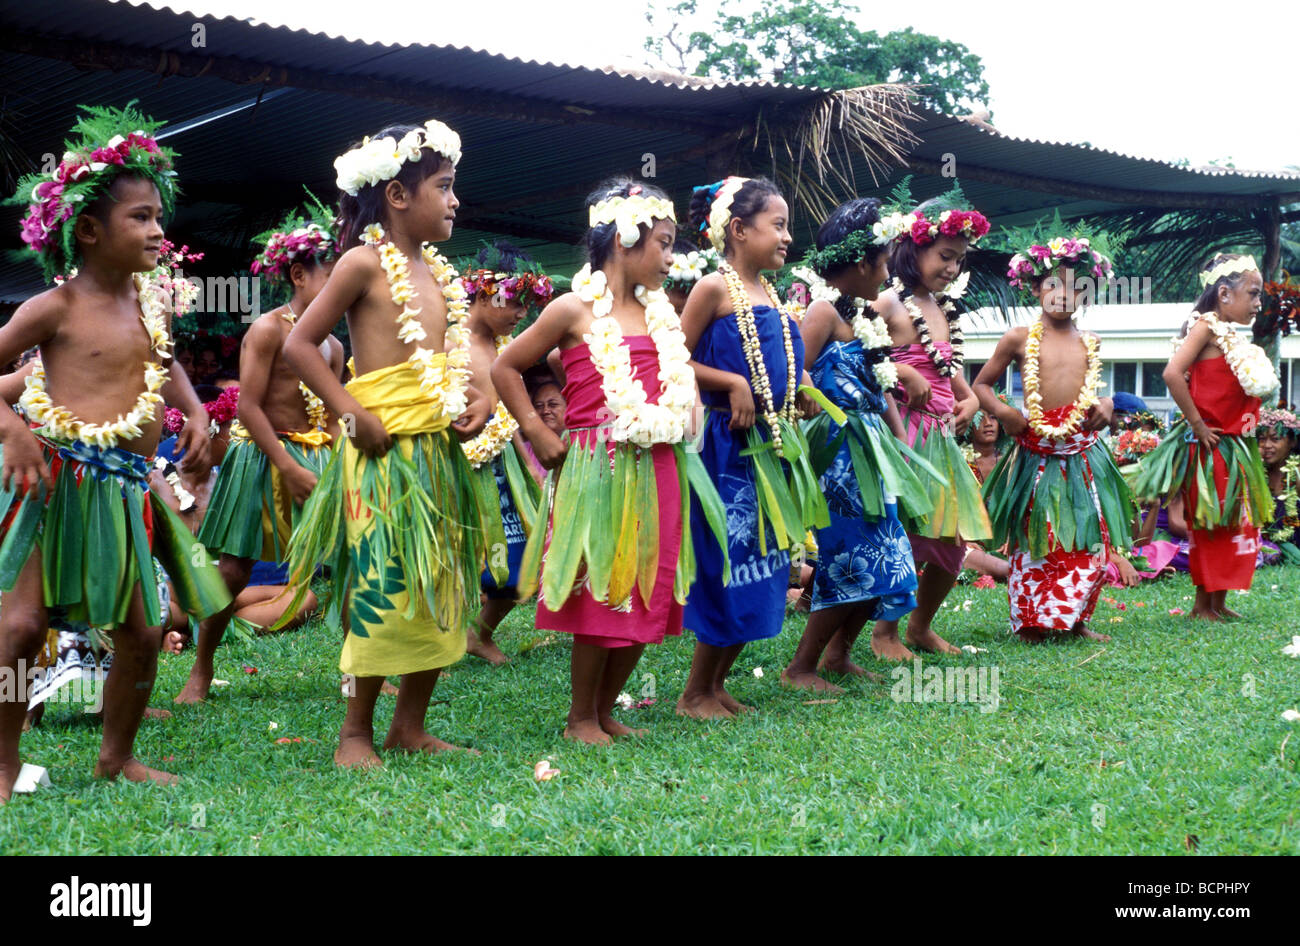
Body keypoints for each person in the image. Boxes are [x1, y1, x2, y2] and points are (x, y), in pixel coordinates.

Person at [0, 105, 231, 800]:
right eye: (141, 217)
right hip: (52, 480)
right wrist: (11, 428)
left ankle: (116, 755)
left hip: (127, 487)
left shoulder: (152, 303)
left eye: (159, 215)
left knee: (144, 626)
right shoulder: (54, 308)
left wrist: (191, 409)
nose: (159, 229)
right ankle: (3, 763)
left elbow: (165, 363)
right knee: (19, 626)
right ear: (91, 231)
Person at [281, 119, 492, 766]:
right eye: (445, 187)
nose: (456, 200)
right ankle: (354, 733)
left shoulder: (439, 272)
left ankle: (411, 724)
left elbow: (457, 360)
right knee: (381, 583)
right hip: (380, 452)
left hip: (437, 451)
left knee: (439, 577)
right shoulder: (363, 264)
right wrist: (348, 412)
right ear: (398, 196)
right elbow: (299, 347)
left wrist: (477, 402)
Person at [492, 178, 726, 743]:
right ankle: (579, 719)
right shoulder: (571, 309)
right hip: (598, 468)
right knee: (600, 586)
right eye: (665, 244)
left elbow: (677, 379)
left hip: (662, 463)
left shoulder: (662, 317)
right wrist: (535, 429)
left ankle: (606, 709)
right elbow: (507, 367)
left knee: (651, 585)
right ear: (625, 239)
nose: (673, 258)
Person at [174, 200, 345, 702]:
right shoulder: (268, 328)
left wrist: (344, 463)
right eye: (332, 277)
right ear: (298, 273)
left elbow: (333, 417)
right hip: (261, 456)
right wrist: (286, 465)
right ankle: (201, 671)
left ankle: (363, 670)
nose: (341, 290)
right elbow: (248, 408)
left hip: (315, 455)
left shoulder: (332, 344)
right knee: (233, 569)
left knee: (355, 556)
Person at [677, 176, 827, 717]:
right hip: (726, 450)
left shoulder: (776, 296)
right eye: (778, 225)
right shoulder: (713, 288)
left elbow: (784, 363)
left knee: (762, 567)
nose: (788, 237)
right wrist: (731, 383)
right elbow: (672, 358)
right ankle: (694, 692)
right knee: (729, 563)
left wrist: (802, 389)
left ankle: (717, 684)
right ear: (739, 230)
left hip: (772, 448)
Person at [778, 198, 933, 691]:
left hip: (873, 449)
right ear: (863, 262)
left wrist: (899, 442)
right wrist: (812, 400)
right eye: (884, 263)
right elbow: (791, 368)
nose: (888, 272)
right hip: (838, 452)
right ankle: (800, 667)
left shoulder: (867, 317)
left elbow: (880, 383)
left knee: (888, 554)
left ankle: (838, 656)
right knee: (852, 554)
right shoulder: (823, 312)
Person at [977, 229, 1130, 642]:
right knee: (1037, 533)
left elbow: (1093, 395)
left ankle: (1076, 618)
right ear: (1033, 287)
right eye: (1052, 285)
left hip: (1082, 456)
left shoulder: (1091, 342)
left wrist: (1108, 405)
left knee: (1087, 536)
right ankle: (1031, 622)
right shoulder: (1018, 338)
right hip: (1035, 454)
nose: (1063, 294)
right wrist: (1006, 413)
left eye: (1075, 287)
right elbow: (981, 386)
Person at [872, 180, 993, 658]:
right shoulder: (889, 302)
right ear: (913, 247)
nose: (952, 267)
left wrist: (971, 400)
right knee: (903, 534)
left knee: (953, 539)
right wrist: (900, 367)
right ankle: (884, 634)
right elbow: (858, 355)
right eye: (944, 255)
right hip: (903, 433)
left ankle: (921, 625)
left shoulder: (942, 308)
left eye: (959, 259)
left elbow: (950, 370)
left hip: (941, 437)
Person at [1135, 254, 1276, 619]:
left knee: (1233, 523)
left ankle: (1219, 602)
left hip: (1235, 446)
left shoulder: (1230, 335)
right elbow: (1171, 373)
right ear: (1224, 293)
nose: (1258, 302)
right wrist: (1197, 424)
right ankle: (1202, 605)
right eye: (1254, 293)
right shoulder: (1206, 328)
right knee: (1213, 523)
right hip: (1213, 445)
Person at [458, 244, 553, 664]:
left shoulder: (504, 345)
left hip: (507, 465)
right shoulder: (448, 341)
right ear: (482, 294)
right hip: (463, 467)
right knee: (460, 561)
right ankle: (437, 646)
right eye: (514, 302)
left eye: (526, 305)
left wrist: (526, 465)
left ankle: (480, 632)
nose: (520, 314)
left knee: (524, 560)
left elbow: (506, 412)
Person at [1257, 407, 1299, 564]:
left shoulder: (1296, 473)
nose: (1266, 445)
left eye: (1275, 439)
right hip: (1265, 541)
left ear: (1292, 442)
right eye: (1262, 439)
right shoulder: (1256, 473)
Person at [521, 366, 565, 482]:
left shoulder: (580, 444)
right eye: (539, 406)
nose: (545, 411)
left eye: (553, 404)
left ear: (568, 407)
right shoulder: (524, 450)